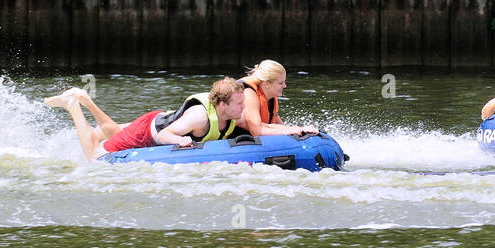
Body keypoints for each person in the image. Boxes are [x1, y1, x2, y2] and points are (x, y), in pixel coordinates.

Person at [45, 77, 246, 162]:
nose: (243, 107)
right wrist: (179, 140)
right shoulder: (199, 118)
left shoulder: (232, 116)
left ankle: (85, 100)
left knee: (114, 133)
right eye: (239, 103)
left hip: (157, 118)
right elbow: (166, 133)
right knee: (93, 156)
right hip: (147, 132)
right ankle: (74, 105)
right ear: (222, 105)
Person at [236, 60, 319, 137]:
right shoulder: (249, 94)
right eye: (280, 83)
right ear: (267, 83)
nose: (285, 86)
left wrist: (300, 130)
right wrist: (288, 131)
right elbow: (256, 131)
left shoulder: (269, 95)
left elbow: (277, 125)